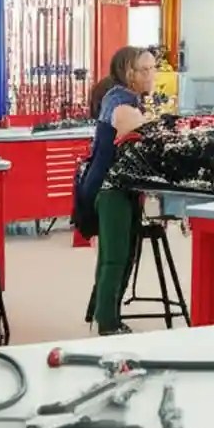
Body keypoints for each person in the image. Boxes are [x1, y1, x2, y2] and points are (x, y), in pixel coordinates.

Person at [73, 47, 154, 336]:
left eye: (152, 68)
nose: (152, 75)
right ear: (129, 73)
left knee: (118, 253)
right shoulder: (121, 103)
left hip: (117, 187)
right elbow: (144, 136)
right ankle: (107, 322)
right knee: (115, 256)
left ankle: (103, 310)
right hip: (111, 190)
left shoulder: (123, 98)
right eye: (145, 70)